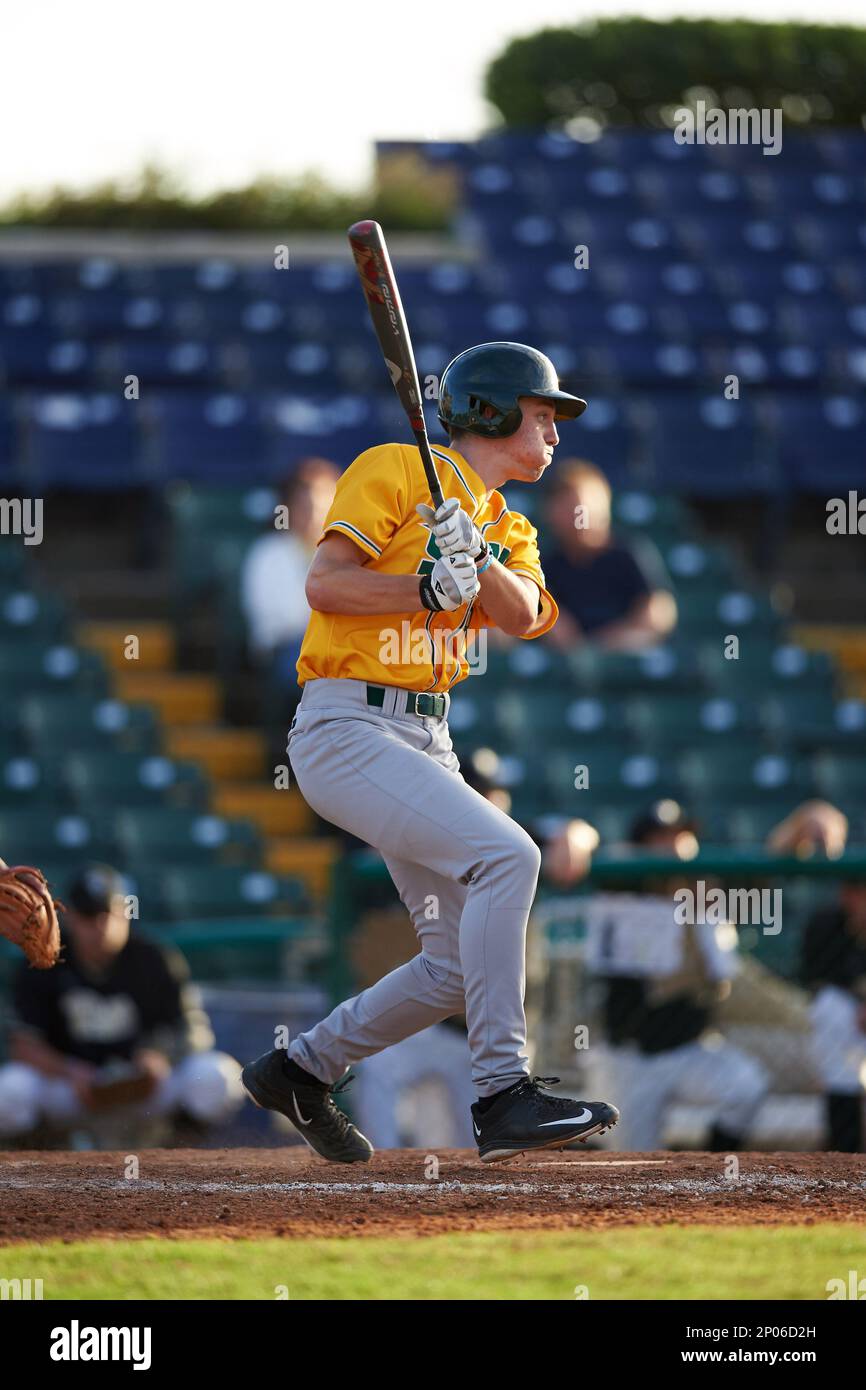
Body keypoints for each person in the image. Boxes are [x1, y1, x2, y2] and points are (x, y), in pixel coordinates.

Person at [242, 341, 619, 1164]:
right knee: (509, 856)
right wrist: (421, 587)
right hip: (346, 723)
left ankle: (301, 1069)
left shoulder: (507, 524)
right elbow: (326, 585)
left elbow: (524, 616)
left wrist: (472, 557)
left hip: (428, 735)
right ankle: (502, 1091)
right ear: (491, 411)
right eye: (543, 412)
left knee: (452, 966)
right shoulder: (394, 469)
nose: (555, 432)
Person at [0, 865, 244, 1145]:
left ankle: (176, 1154)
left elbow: (194, 1031)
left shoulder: (152, 957)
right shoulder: (43, 961)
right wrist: (70, 1070)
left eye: (110, 914)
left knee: (218, 1076)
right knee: (10, 1091)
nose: (101, 926)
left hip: (145, 1090)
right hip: (70, 1089)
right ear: (71, 919)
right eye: (90, 916)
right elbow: (23, 1044)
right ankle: (45, 1159)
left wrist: (159, 1056)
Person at [585, 800, 769, 1152]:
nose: (676, 848)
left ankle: (712, 1169)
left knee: (747, 1086)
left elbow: (755, 885)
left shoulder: (705, 896)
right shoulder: (621, 894)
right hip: (631, 1058)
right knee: (631, 1167)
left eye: (682, 837)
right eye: (662, 839)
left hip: (689, 1050)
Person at [542, 460, 677, 650]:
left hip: (623, 653)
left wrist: (613, 641)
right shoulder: (546, 561)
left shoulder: (628, 553)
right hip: (567, 659)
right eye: (568, 508)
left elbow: (657, 611)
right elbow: (543, 614)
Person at [240, 458, 339, 688]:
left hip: (340, 647)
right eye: (306, 507)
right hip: (288, 651)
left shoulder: (348, 553)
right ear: (289, 507)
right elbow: (278, 619)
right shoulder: (267, 553)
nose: (314, 516)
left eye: (322, 507)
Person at [799, 883, 866, 1152]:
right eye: (854, 891)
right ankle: (844, 1155)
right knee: (832, 1008)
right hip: (849, 1017)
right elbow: (818, 978)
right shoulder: (826, 924)